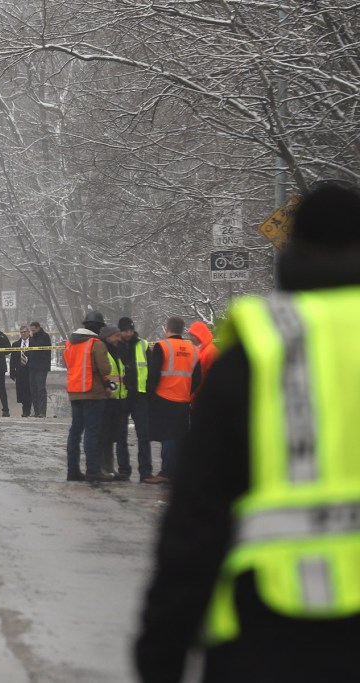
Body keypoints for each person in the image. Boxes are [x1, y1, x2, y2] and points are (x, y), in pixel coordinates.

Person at [136, 183, 360, 682]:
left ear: (294, 249)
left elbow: (197, 511)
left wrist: (162, 647)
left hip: (274, 624)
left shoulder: (263, 346)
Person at [143, 317, 200, 485]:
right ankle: (177, 471)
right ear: (182, 330)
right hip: (183, 399)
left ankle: (166, 472)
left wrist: (150, 394)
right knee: (178, 437)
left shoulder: (162, 346)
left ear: (167, 329)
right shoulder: (193, 350)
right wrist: (186, 392)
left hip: (164, 398)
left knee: (167, 437)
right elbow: (198, 377)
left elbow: (154, 374)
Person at [63, 311, 113, 482]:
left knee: (75, 432)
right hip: (93, 393)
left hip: (75, 392)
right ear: (98, 327)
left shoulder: (70, 343)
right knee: (92, 433)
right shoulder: (96, 344)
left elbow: (68, 364)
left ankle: (73, 471)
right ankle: (93, 471)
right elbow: (105, 369)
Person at [119, 317, 153, 481]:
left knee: (144, 436)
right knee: (121, 435)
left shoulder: (143, 345)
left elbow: (152, 370)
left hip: (140, 395)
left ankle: (145, 471)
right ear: (120, 331)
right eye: (125, 330)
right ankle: (124, 470)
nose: (128, 333)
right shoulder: (114, 345)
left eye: (130, 330)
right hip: (123, 395)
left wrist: (150, 392)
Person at [99, 325, 132, 480]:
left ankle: (110, 468)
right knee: (104, 436)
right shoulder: (104, 351)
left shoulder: (118, 352)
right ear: (108, 337)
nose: (119, 339)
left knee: (113, 436)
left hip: (118, 399)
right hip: (107, 400)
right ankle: (104, 468)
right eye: (116, 336)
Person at [188, 320, 220, 405]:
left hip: (206, 400)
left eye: (192, 335)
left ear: (199, 335)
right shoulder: (201, 350)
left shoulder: (210, 352)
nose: (190, 338)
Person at [27, 321, 52, 418]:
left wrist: (31, 338)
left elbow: (37, 347)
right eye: (31, 330)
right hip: (32, 366)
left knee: (40, 389)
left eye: (33, 330)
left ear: (38, 328)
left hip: (41, 367)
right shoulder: (33, 337)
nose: (32, 332)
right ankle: (36, 411)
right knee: (33, 389)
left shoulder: (44, 336)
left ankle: (42, 412)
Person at [9, 325, 32, 417]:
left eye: (25, 332)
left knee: (30, 391)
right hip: (20, 371)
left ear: (28, 332)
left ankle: (29, 410)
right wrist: (12, 371)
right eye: (21, 332)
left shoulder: (33, 343)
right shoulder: (16, 344)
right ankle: (25, 410)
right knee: (22, 391)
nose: (23, 334)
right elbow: (13, 359)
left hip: (30, 370)